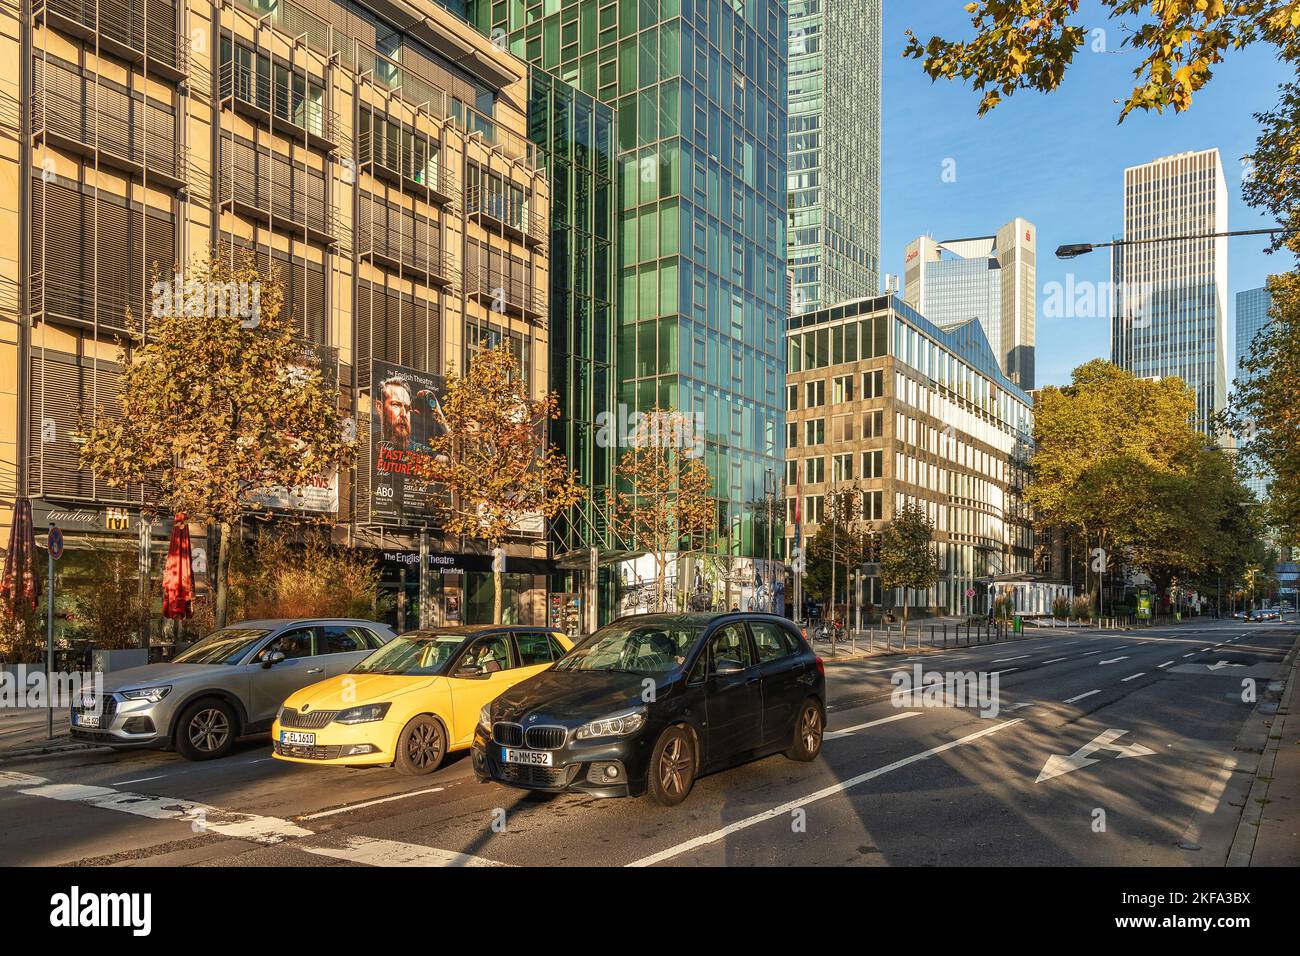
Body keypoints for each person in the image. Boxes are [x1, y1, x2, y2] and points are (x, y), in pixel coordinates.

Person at [375, 375, 413, 450]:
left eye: (407, 408)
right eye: (396, 405)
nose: (404, 414)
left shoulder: (421, 452)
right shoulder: (368, 444)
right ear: (379, 407)